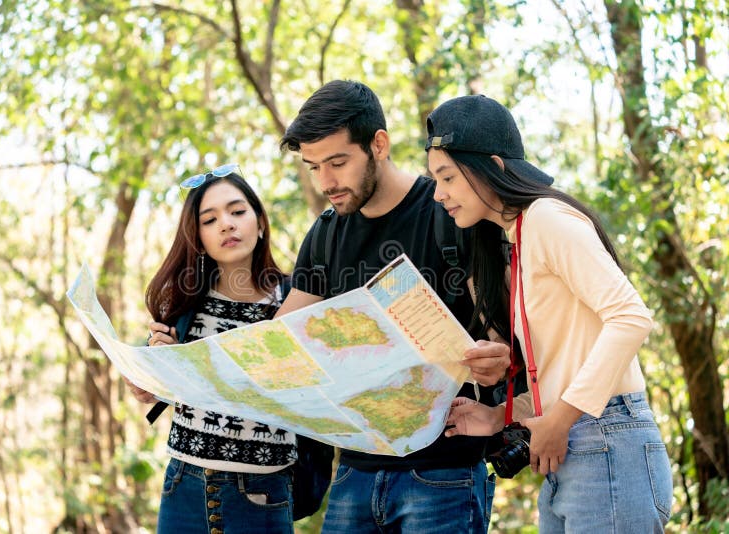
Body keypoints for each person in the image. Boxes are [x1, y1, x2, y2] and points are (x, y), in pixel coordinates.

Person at [277, 80, 513, 533]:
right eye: (313, 167)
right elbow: (281, 335)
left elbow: (504, 340)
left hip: (444, 474)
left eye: (338, 162)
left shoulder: (451, 213)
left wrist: (495, 359)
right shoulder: (325, 235)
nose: (326, 181)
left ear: (378, 144)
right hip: (353, 475)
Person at [428, 95, 673, 532]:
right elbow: (565, 369)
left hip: (605, 442)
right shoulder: (519, 241)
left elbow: (631, 317)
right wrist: (499, 415)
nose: (438, 193)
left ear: (495, 168)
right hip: (576, 448)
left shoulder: (546, 218)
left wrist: (559, 421)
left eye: (447, 176)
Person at [126, 164, 297, 534]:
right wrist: (150, 375)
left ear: (260, 221)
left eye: (237, 212)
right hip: (182, 487)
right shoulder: (183, 300)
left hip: (261, 493)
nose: (226, 224)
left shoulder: (295, 298)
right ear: (198, 237)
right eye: (210, 219)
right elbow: (147, 388)